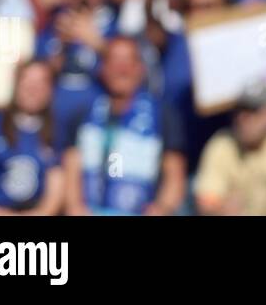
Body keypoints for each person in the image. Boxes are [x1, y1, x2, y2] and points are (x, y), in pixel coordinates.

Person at [62, 36, 187, 215]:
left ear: (140, 69)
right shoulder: (83, 114)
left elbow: (175, 175)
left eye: (128, 61)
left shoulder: (162, 115)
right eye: (114, 61)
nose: (121, 69)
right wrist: (75, 207)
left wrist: (161, 208)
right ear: (103, 69)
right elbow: (71, 168)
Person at [0, 60, 64, 215]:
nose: (33, 88)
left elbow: (56, 186)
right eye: (27, 81)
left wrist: (38, 214)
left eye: (41, 82)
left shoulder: (55, 129)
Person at [194, 85, 266, 216]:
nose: (244, 119)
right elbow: (205, 205)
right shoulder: (221, 145)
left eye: (254, 111)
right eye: (240, 111)